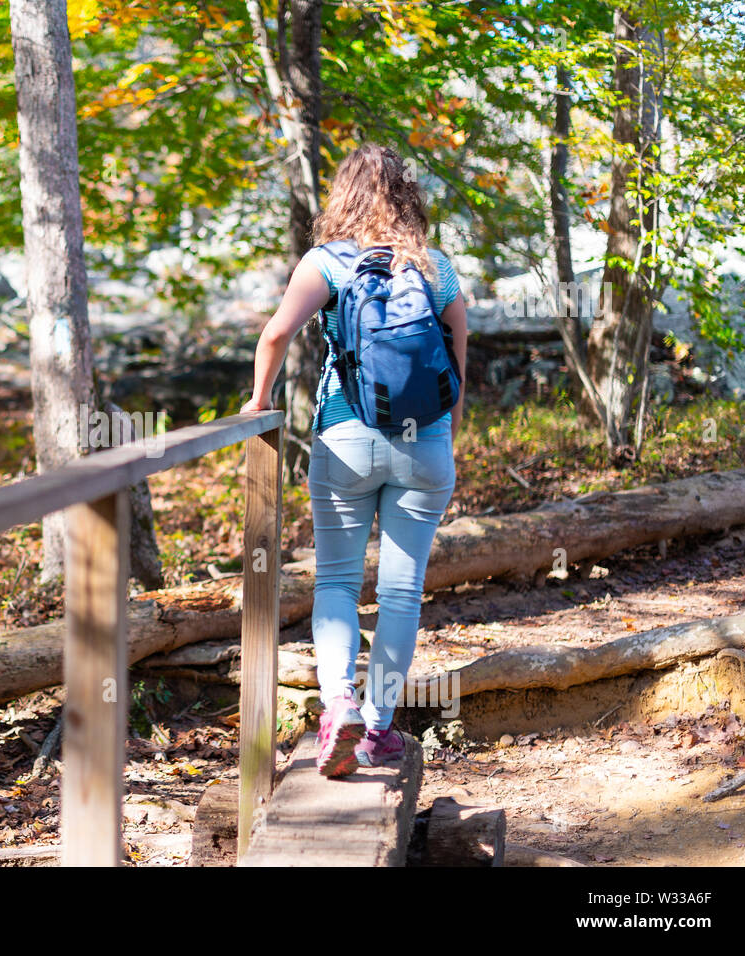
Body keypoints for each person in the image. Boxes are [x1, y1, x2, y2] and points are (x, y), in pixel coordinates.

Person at [240, 144, 468, 777]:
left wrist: (259, 401)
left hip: (345, 439)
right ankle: (377, 730)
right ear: (406, 195)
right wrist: (443, 437)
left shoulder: (327, 261)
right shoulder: (437, 266)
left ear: (343, 194)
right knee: (402, 591)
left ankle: (337, 698)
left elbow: (276, 334)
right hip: (425, 447)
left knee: (337, 581)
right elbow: (456, 365)